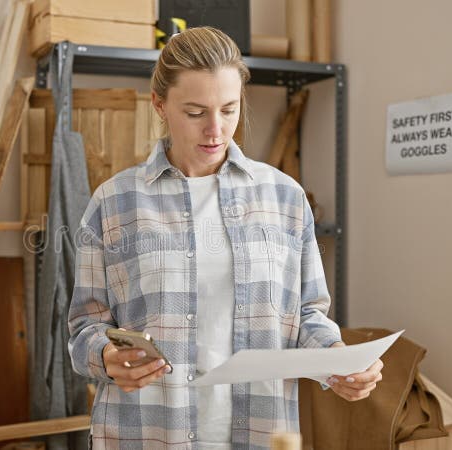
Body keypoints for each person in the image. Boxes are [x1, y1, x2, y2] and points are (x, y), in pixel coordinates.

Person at [68, 26, 383, 449]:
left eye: (229, 109)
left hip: (260, 432)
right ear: (159, 104)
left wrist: (340, 364)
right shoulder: (114, 202)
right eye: (196, 112)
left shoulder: (284, 198)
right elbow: (84, 327)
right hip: (145, 435)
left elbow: (306, 315)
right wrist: (106, 358)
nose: (216, 130)